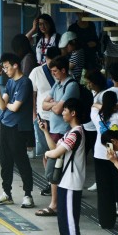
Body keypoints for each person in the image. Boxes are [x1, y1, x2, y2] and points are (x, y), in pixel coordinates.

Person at [41, 98, 88, 235]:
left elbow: (54, 153)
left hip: (71, 182)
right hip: (65, 181)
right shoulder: (70, 133)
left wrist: (47, 154)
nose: (62, 113)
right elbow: (55, 148)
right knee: (63, 217)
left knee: (70, 219)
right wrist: (45, 131)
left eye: (65, 110)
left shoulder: (76, 133)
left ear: (73, 113)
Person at [0, 53, 36, 209]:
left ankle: (28, 194)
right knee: (5, 161)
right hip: (6, 124)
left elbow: (15, 107)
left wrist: (8, 103)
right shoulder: (10, 82)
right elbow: (2, 106)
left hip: (18, 127)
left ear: (15, 65)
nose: (5, 70)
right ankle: (6, 193)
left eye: (6, 67)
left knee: (21, 160)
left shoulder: (25, 83)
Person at [37, 55, 79, 216]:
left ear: (63, 70)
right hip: (54, 129)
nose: (53, 74)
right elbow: (44, 104)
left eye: (55, 71)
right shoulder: (58, 83)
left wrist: (54, 105)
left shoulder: (71, 85)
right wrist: (55, 104)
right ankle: (55, 200)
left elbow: (57, 109)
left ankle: (55, 204)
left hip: (63, 130)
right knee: (52, 163)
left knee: (55, 165)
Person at [90, 90, 118, 229]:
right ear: (115, 103)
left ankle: (106, 222)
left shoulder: (96, 115)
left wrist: (102, 107)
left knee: (104, 190)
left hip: (100, 155)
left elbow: (93, 105)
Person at [30, 47, 61, 159]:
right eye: (49, 61)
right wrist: (34, 116)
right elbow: (32, 95)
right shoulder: (36, 72)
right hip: (42, 116)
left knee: (58, 148)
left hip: (60, 117)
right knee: (45, 151)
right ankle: (48, 170)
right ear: (46, 58)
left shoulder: (63, 72)